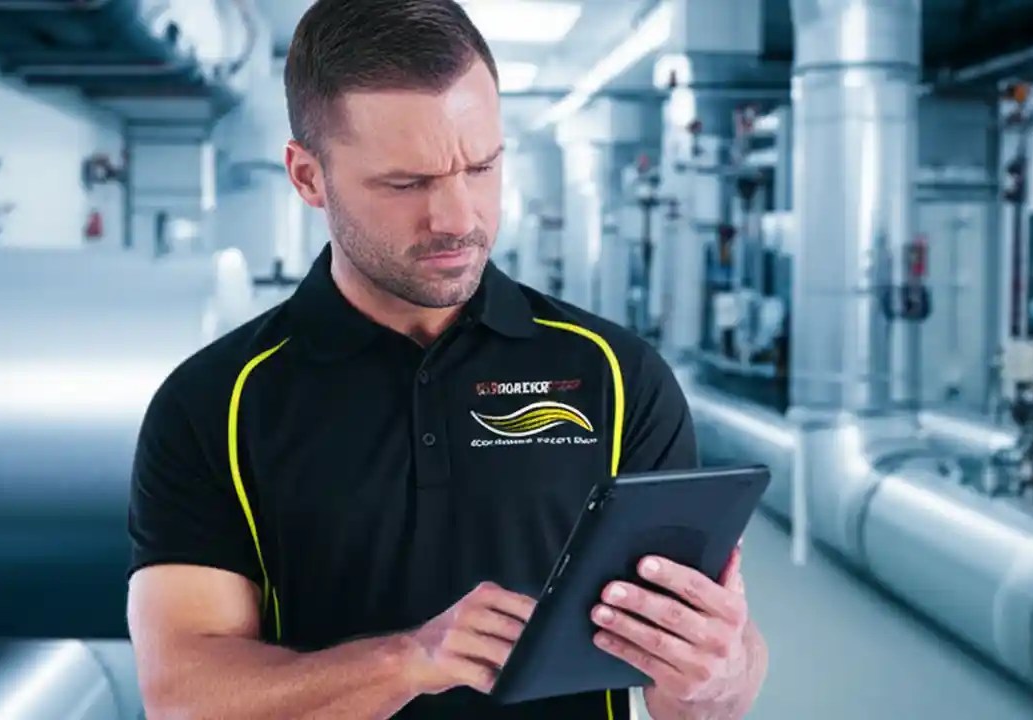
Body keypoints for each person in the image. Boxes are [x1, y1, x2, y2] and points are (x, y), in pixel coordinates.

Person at [125, 1, 768, 717]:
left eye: (482, 166)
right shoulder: (214, 403)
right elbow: (184, 700)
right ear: (308, 178)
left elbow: (703, 697)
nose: (459, 218)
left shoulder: (617, 375)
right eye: (407, 184)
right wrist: (408, 661)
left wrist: (719, 670)